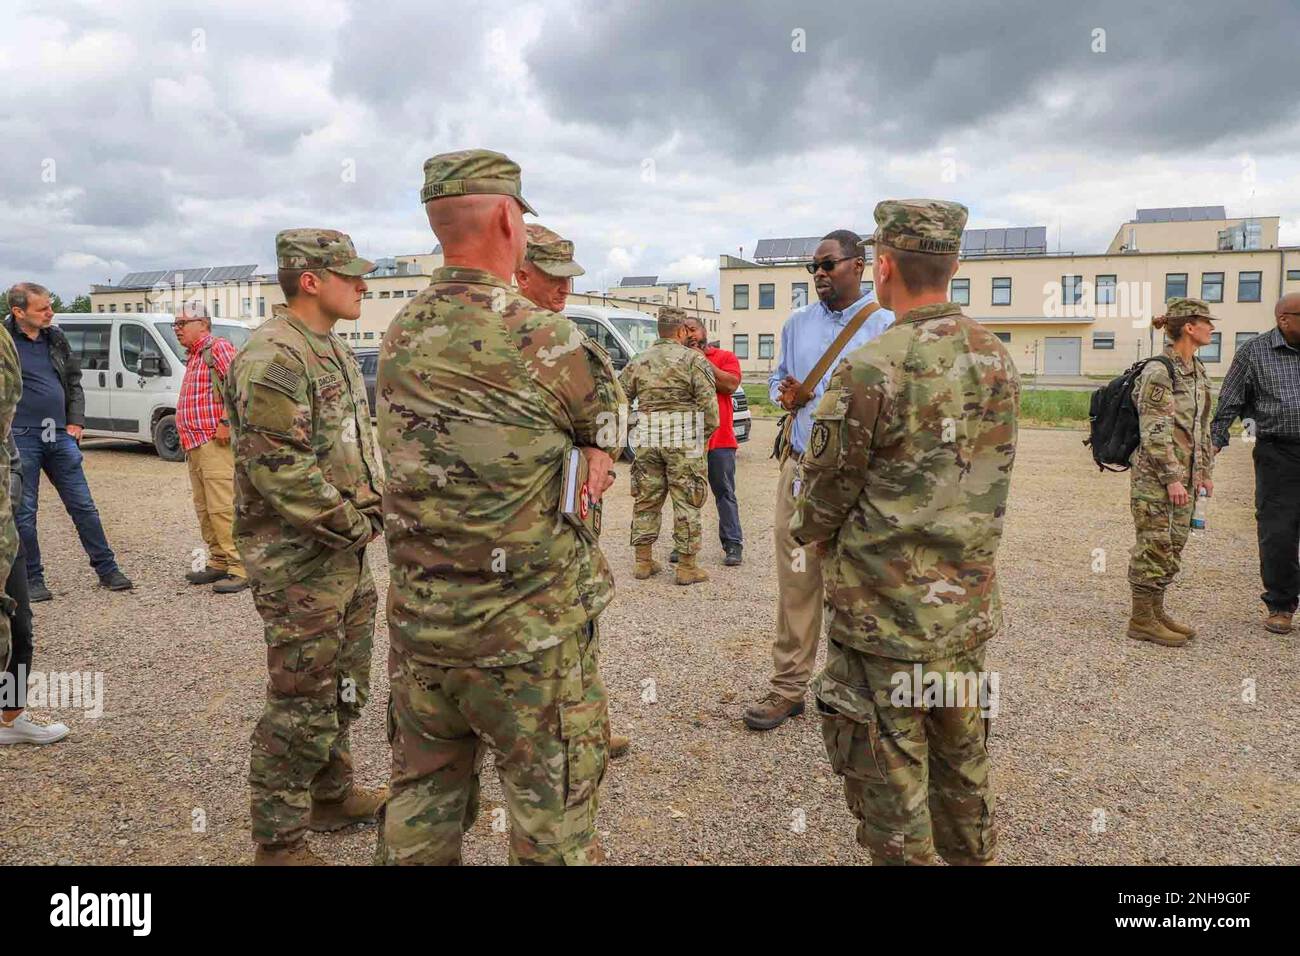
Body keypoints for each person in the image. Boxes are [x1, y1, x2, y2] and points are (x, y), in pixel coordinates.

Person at [376, 149, 622, 865]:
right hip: (529, 639)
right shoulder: (548, 336)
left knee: (421, 801)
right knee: (551, 819)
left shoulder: (399, 333)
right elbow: (601, 440)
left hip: (423, 629)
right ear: (510, 222)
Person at [791, 199, 1017, 866]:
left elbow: (823, 498)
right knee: (964, 774)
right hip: (963, 616)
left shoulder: (872, 365)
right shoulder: (995, 356)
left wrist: (818, 540)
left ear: (884, 266)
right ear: (954, 264)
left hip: (883, 625)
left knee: (893, 798)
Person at [227, 229, 387, 866]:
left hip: (342, 554)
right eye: (350, 276)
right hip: (299, 563)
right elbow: (280, 468)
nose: (363, 286)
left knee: (348, 686)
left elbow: (350, 448)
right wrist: (356, 522)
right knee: (300, 701)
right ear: (311, 280)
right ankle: (279, 842)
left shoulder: (333, 350)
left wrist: (370, 512)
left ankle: (331, 793)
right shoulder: (275, 358)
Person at [743, 231, 893, 731]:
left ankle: (858, 691)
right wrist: (782, 393)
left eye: (829, 264)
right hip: (802, 469)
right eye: (814, 268)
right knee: (797, 579)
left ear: (860, 265)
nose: (820, 275)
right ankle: (788, 688)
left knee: (860, 584)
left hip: (862, 480)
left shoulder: (888, 326)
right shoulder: (796, 324)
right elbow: (775, 378)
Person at [513, 222, 630, 761]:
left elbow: (609, 413)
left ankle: (587, 726)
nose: (564, 291)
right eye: (552, 277)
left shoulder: (570, 342)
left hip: (568, 514)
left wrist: (601, 452)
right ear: (520, 271)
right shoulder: (499, 340)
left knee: (577, 622)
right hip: (514, 519)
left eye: (569, 279)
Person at [4, 283, 133, 601]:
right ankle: (32, 580)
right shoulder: (4, 341)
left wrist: (75, 421)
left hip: (59, 434)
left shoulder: (55, 337)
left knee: (83, 506)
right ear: (19, 312)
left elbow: (73, 380)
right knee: (24, 512)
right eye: (42, 308)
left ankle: (107, 570)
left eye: (50, 306)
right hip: (21, 437)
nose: (50, 312)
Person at [1127, 298, 1216, 647]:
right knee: (1154, 544)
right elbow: (1154, 431)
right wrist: (1172, 477)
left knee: (1174, 544)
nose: (1211, 327)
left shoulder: (1196, 369)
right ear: (1189, 327)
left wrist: (1204, 471)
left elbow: (1200, 426)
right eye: (1206, 322)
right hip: (1157, 479)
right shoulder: (1160, 370)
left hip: (1186, 477)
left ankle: (1156, 609)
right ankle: (1141, 619)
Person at [1211, 291, 1300, 635]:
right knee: (1278, 532)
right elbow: (1230, 400)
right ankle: (1280, 604)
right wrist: (1216, 440)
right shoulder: (1255, 352)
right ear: (1284, 320)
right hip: (1279, 455)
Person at [619, 306, 719, 585]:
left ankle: (642, 561)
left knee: (646, 499)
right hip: (684, 438)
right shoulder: (692, 361)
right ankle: (687, 567)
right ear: (681, 331)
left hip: (648, 437)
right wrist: (700, 437)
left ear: (659, 330)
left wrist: (630, 428)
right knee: (686, 500)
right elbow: (710, 410)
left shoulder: (639, 360)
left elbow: (618, 398)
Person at [0, 432, 70, 745]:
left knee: (20, 629)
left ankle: (11, 716)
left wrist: (5, 512)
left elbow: (14, 466)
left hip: (6, 537)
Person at [173, 304, 247, 594]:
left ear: (202, 323)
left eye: (182, 323)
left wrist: (227, 421)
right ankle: (218, 560)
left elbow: (240, 387)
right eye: (175, 324)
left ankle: (240, 567)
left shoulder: (218, 348)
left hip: (214, 441)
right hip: (195, 443)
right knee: (204, 507)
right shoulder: (194, 356)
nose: (177, 329)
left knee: (222, 506)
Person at [683, 316, 744, 566]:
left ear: (705, 331)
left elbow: (730, 385)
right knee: (685, 494)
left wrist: (701, 361)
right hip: (690, 440)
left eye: (693, 329)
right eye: (684, 331)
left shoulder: (725, 357)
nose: (690, 334)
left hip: (720, 440)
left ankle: (733, 544)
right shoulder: (678, 361)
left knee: (724, 493)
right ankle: (684, 544)